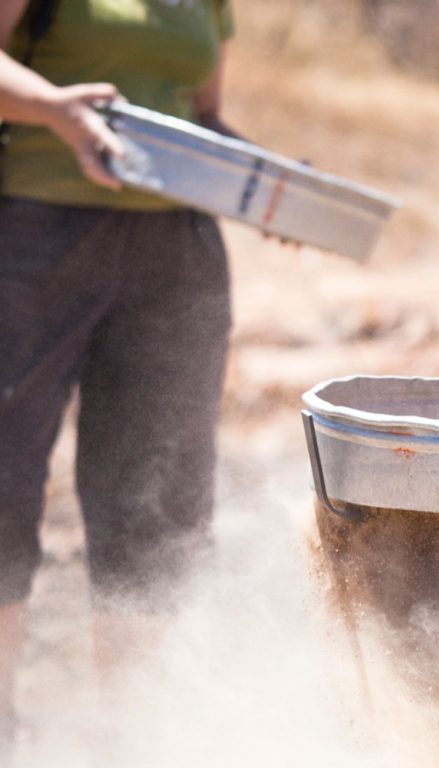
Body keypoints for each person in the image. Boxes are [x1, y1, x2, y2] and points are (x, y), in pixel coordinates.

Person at [0, 0, 236, 754]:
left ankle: (137, 743)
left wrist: (274, 187)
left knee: (158, 499)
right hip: (32, 236)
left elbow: (206, 121)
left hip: (177, 251)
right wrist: (53, 108)